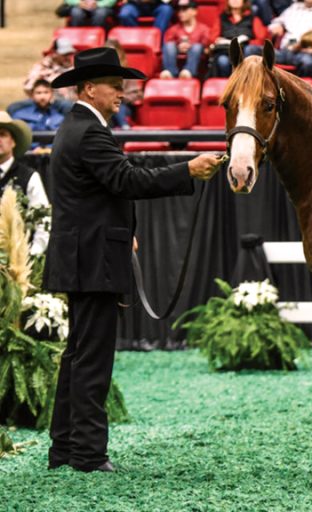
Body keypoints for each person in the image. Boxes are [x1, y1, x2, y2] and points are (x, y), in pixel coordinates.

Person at [44, 47, 222, 473]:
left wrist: (124, 232)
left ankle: (66, 448)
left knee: (78, 354)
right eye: (115, 86)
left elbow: (99, 193)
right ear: (90, 88)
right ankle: (87, 454)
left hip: (86, 252)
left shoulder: (77, 128)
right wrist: (187, 170)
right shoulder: (90, 131)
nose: (122, 93)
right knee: (93, 359)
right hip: (94, 259)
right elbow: (125, 180)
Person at [0, 112, 50, 256]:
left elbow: (43, 222)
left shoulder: (29, 177)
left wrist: (32, 255)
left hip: (18, 258)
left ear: (13, 142)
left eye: (2, 134)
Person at [266, 0, 312, 77]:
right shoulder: (294, 8)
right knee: (252, 50)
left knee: (308, 63)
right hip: (284, 50)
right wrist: (277, 25)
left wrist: (308, 46)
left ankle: (298, 87)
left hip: (304, 52)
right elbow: (276, 22)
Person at [19, 38, 78, 110]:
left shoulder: (74, 67)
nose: (68, 57)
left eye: (70, 54)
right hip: (51, 105)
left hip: (72, 104)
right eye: (64, 54)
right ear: (54, 53)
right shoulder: (42, 67)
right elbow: (28, 87)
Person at [160, 0, 211, 79]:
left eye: (184, 9)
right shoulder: (173, 29)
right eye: (179, 10)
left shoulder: (204, 29)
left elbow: (206, 45)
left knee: (197, 47)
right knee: (169, 46)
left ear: (194, 11)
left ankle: (188, 72)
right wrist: (179, 47)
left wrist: (190, 46)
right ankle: (171, 73)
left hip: (197, 60)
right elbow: (167, 43)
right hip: (177, 54)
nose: (180, 13)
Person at [212, 0, 262, 77]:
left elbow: (261, 39)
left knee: (249, 50)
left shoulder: (252, 18)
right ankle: (228, 85)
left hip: (245, 51)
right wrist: (220, 40)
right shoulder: (222, 18)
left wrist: (248, 41)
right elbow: (212, 38)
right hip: (227, 51)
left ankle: (246, 81)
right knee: (222, 60)